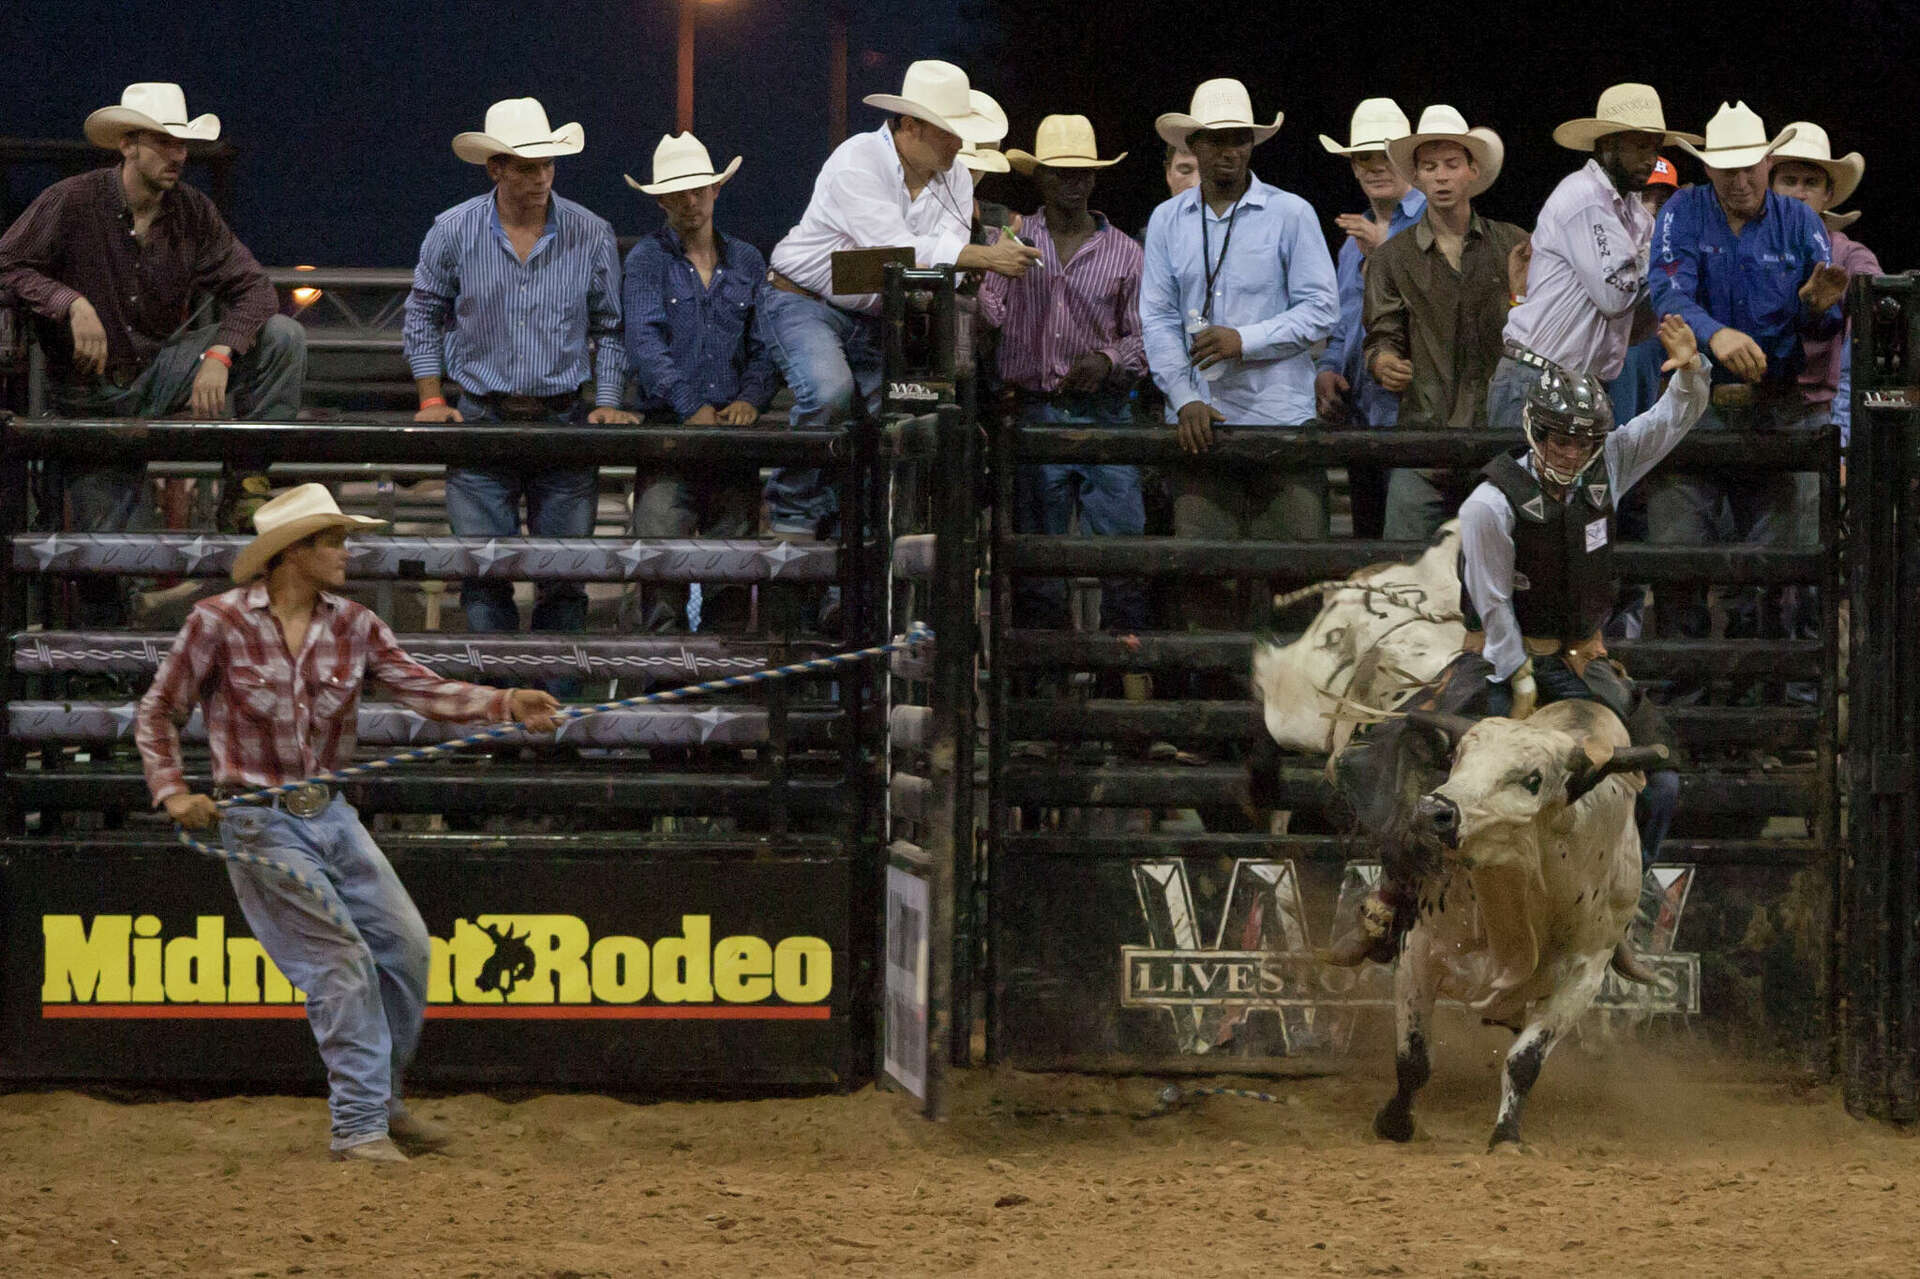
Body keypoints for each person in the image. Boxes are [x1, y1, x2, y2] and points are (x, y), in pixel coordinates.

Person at [134, 484, 562, 1161]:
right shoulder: (217, 622)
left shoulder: (355, 624)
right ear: (294, 552)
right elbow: (159, 712)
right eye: (332, 539)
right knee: (340, 961)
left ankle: (381, 1102)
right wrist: (172, 791)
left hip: (330, 813)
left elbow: (423, 687)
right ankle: (361, 1123)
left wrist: (507, 702)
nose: (345, 551)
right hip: (256, 820)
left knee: (406, 947)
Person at [1327, 315, 1710, 967]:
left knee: (1662, 776)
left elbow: (1666, 424)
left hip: (1582, 658)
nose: (1571, 450)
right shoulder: (1489, 505)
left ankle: (1621, 908)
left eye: (1584, 438)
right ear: (1537, 430)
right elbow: (1496, 605)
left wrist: (1691, 375)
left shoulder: (1605, 464)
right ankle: (1389, 903)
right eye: (1560, 438)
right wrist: (1523, 687)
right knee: (1396, 755)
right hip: (1501, 658)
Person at [0, 82, 306, 624]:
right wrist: (70, 302)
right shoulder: (71, 200)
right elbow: (7, 264)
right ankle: (108, 672)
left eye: (181, 144)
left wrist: (221, 350)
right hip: (88, 395)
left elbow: (255, 288)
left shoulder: (192, 211)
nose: (178, 155)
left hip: (156, 373)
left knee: (283, 336)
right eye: (165, 143)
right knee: (111, 562)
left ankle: (247, 483)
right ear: (128, 145)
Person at [759, 60, 1036, 544]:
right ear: (910, 125)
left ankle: (862, 527)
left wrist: (971, 259)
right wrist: (986, 256)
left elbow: (928, 267)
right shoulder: (857, 159)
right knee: (828, 392)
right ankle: (793, 507)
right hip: (804, 301)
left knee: (895, 419)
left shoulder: (956, 177)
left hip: (873, 314)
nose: (958, 144)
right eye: (950, 133)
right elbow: (896, 251)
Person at [402, 98, 636, 667]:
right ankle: (501, 719)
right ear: (496, 168)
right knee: (484, 578)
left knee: (563, 581)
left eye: (547, 165)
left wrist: (605, 402)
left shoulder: (590, 231)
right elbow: (421, 313)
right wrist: (431, 398)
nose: (540, 177)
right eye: (527, 166)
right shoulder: (454, 231)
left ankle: (550, 724)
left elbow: (611, 325)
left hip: (562, 420)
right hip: (483, 416)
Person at [1646, 103, 1847, 658]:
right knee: (1678, 558)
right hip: (1693, 405)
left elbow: (1820, 318)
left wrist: (1818, 307)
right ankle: (1682, 713)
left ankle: (1772, 707)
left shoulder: (1801, 223)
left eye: (1749, 167)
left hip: (1776, 407)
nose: (1738, 180)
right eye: (1725, 168)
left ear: (1767, 161)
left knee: (1776, 571)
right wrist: (1718, 335)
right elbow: (1667, 291)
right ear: (1707, 169)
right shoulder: (1683, 211)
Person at [1140, 77, 1339, 628]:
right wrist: (1183, 397)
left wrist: (1243, 340)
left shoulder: (1290, 213)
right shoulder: (1167, 221)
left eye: (1240, 140)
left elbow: (1323, 309)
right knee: (1206, 586)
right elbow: (1155, 318)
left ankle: (1291, 712)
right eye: (1217, 140)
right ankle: (1219, 706)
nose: (1229, 151)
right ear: (1194, 146)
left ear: (1252, 145)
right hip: (1202, 427)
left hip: (1282, 422)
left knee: (1297, 585)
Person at [980, 114, 1147, 634]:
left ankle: (1122, 670)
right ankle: (1042, 680)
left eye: (1081, 172)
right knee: (1036, 558)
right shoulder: (1011, 239)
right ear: (1041, 178)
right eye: (1060, 172)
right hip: (1032, 408)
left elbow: (1145, 338)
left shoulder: (1125, 252)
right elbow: (988, 314)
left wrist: (1109, 360)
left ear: (1093, 178)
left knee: (1122, 553)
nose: (1072, 182)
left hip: (1105, 412)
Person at [620, 132, 777, 634]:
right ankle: (673, 692)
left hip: (720, 434)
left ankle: (712, 692)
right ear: (662, 199)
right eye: (677, 193)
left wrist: (752, 397)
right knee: (664, 568)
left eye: (697, 190)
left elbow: (766, 343)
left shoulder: (748, 261)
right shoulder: (647, 259)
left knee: (727, 575)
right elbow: (643, 343)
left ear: (714, 191)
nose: (689, 201)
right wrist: (693, 405)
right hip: (672, 431)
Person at [1489, 84, 1701, 428]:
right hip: (1536, 380)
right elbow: (1616, 299)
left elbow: (1640, 316)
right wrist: (1671, 235)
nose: (1651, 158)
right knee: (1523, 483)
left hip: (1581, 386)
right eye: (1639, 145)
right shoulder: (1584, 197)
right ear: (1607, 145)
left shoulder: (1634, 213)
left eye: (1655, 147)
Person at [1362, 106, 1527, 540]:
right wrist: (1383, 362)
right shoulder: (1392, 258)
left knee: (1498, 584)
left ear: (1472, 170)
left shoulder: (1514, 244)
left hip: (1499, 445)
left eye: (1452, 165)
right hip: (1424, 446)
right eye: (1429, 167)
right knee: (1406, 577)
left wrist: (1519, 295)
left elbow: (1543, 338)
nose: (1440, 177)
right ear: (1416, 177)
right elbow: (1381, 336)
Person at [1314, 98, 1424, 539]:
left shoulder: (1432, 222)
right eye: (1365, 158)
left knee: (1412, 546)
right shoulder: (1350, 241)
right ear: (1354, 167)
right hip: (1362, 416)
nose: (1376, 167)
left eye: (1386, 156)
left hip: (1417, 416)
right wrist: (1325, 371)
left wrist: (1385, 255)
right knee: (1369, 544)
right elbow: (1344, 325)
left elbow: (1440, 318)